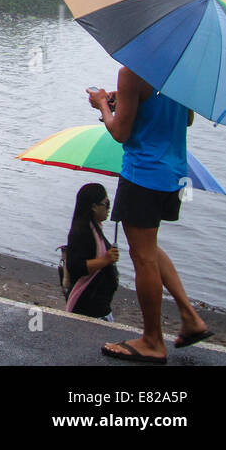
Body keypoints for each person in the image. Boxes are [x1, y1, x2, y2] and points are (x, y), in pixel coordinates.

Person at [90, 68, 211, 362]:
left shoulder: (132, 71)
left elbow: (120, 132)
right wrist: (131, 100)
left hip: (143, 175)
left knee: (142, 257)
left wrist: (103, 104)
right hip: (173, 174)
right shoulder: (183, 67)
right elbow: (188, 119)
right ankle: (190, 317)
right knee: (149, 248)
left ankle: (153, 341)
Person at [65, 182, 119, 319]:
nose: (108, 208)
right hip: (87, 306)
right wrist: (106, 260)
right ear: (94, 207)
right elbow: (75, 266)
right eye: (106, 204)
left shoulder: (95, 228)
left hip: (98, 305)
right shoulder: (82, 232)